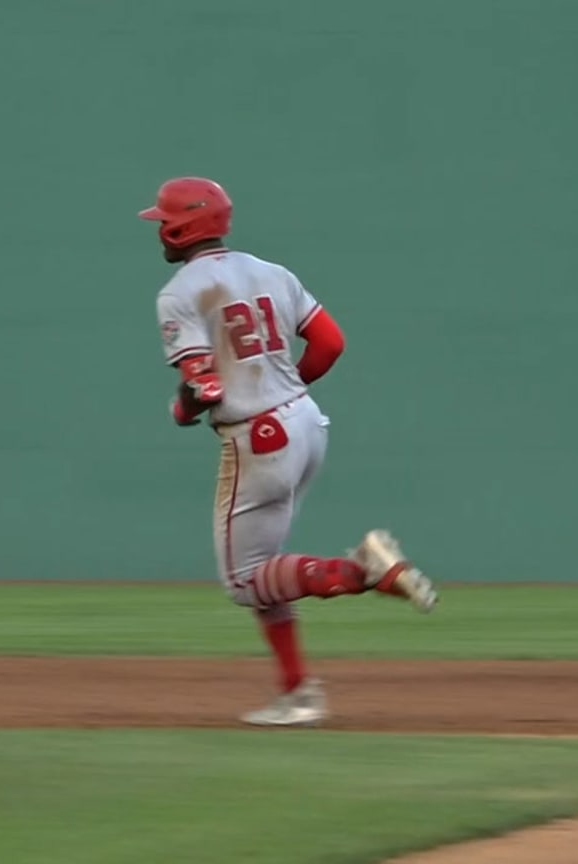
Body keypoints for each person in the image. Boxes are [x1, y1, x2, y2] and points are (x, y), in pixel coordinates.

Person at [140, 176, 439, 726]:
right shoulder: (272, 272)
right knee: (268, 572)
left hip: (259, 435)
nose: (159, 229)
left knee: (243, 581)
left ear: (186, 225)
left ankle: (362, 570)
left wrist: (181, 410)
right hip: (304, 423)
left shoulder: (180, 294)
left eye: (164, 221)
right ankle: (299, 692)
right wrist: (287, 389)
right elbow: (330, 343)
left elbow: (204, 388)